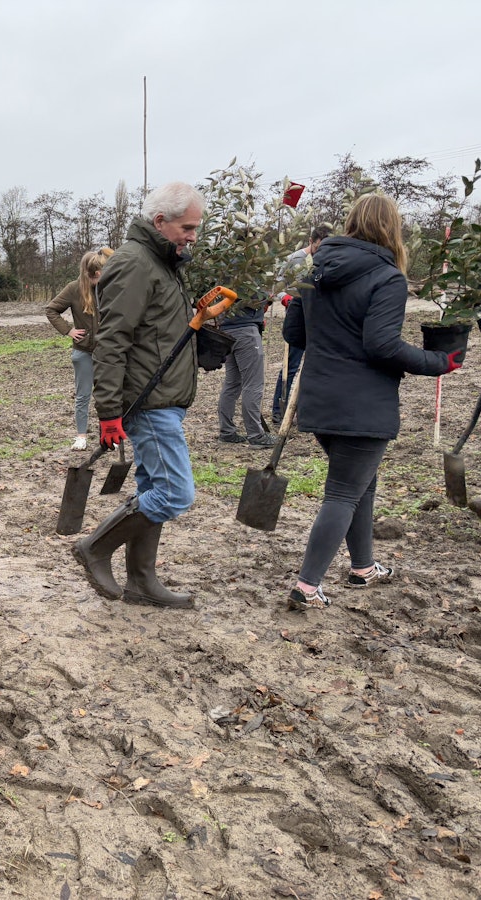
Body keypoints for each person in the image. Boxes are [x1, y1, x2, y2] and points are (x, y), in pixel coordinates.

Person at [283, 194, 460, 610]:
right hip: (361, 404)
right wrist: (438, 362)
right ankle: (307, 586)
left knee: (360, 482)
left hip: (320, 399)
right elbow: (381, 344)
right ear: (391, 228)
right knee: (343, 491)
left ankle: (363, 567)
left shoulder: (315, 269)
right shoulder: (388, 277)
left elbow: (295, 334)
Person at [72, 181, 206, 610]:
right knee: (174, 492)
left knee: (152, 487)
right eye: (187, 228)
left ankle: (142, 581)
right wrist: (109, 411)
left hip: (164, 396)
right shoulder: (135, 263)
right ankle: (94, 547)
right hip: (147, 402)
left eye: (196, 228)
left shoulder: (163, 263)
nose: (193, 237)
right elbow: (111, 341)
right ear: (160, 221)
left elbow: (157, 333)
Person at [46, 248, 115, 450]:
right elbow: (51, 310)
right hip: (83, 352)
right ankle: (81, 436)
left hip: (107, 352)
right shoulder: (73, 289)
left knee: (107, 395)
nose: (99, 279)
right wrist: (68, 331)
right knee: (83, 395)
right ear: (89, 274)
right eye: (96, 276)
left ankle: (108, 435)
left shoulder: (109, 287)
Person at [272, 225, 332, 426]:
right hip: (297, 319)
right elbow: (276, 284)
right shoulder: (296, 260)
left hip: (317, 319)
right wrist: (286, 298)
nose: (322, 251)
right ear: (311, 242)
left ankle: (308, 410)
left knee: (316, 365)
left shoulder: (328, 260)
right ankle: (278, 411)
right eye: (319, 246)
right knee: (290, 366)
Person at [215, 285, 276, 447]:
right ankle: (256, 435)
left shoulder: (223, 270)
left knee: (232, 383)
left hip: (226, 330)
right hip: (245, 331)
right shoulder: (246, 272)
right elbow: (254, 296)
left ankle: (227, 431)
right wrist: (267, 296)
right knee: (253, 383)